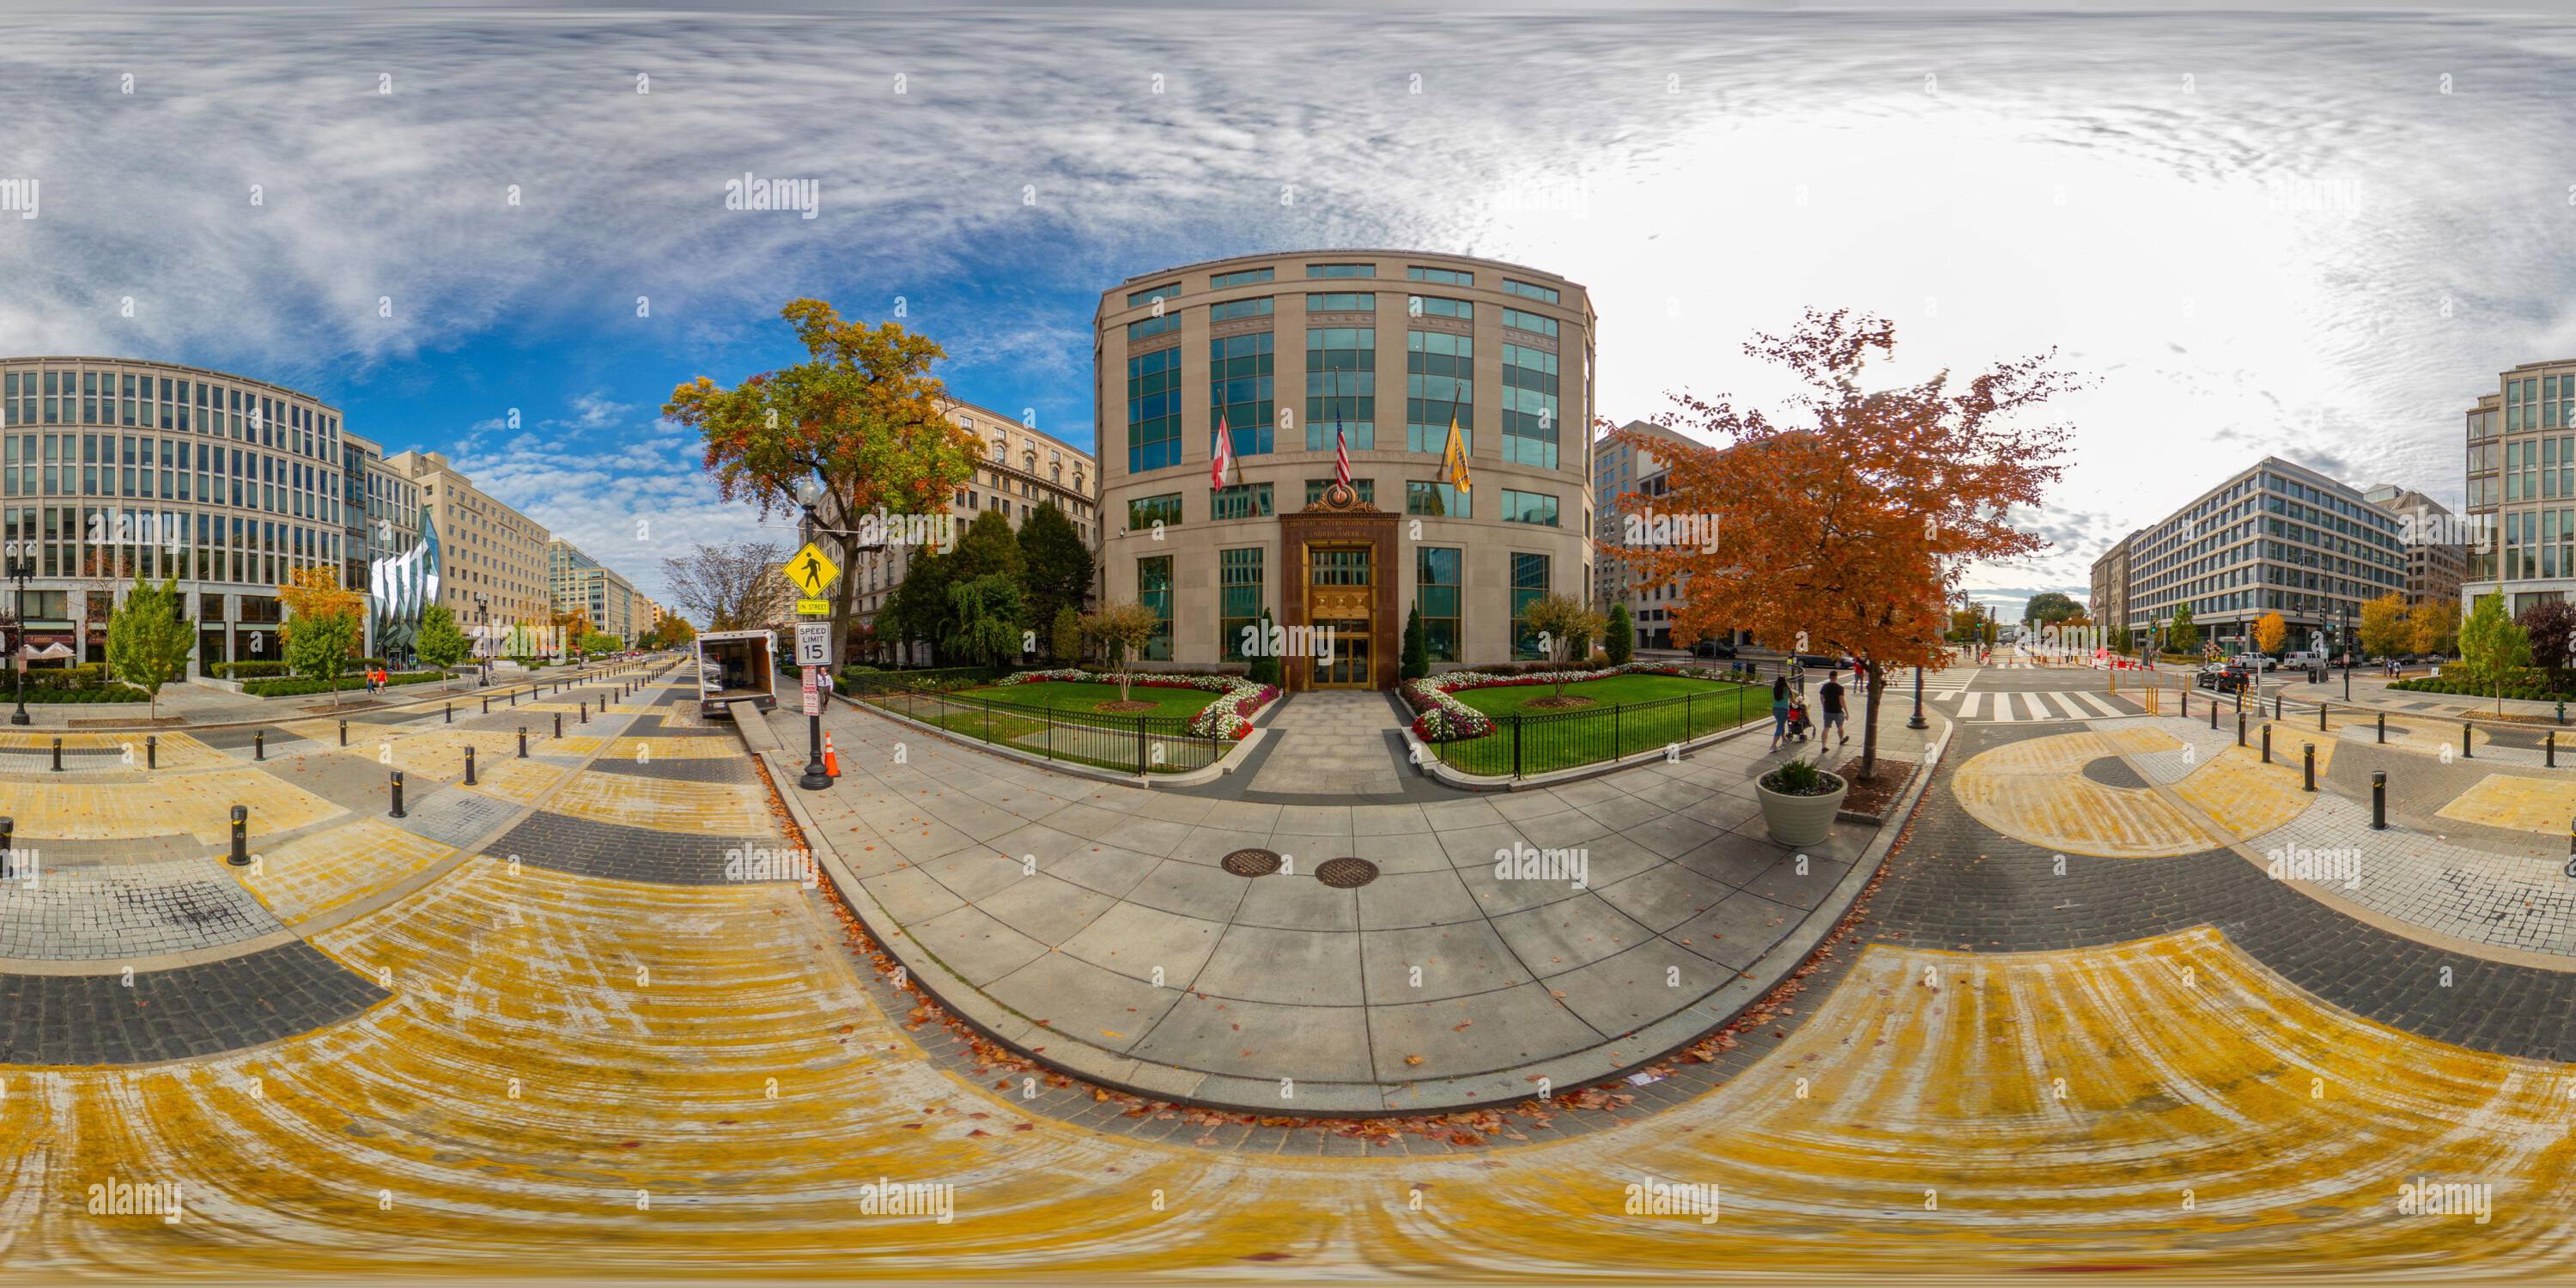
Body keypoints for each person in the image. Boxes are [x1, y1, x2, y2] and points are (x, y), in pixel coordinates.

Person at [1819, 672, 1849, 747]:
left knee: (1826, 728)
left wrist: (1824, 706)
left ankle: (1824, 746)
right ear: (1836, 677)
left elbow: (1821, 698)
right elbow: (1842, 700)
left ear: (1829, 677)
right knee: (1840, 726)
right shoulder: (1839, 687)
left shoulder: (1825, 686)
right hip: (1837, 710)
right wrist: (1846, 712)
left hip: (1827, 710)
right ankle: (1841, 740)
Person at [1769, 674, 1793, 751]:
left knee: (1781, 723)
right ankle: (1773, 745)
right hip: (1783, 710)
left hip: (1775, 709)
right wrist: (1798, 702)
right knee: (1779, 726)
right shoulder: (1787, 689)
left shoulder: (1774, 689)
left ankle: (1784, 739)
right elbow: (1793, 700)